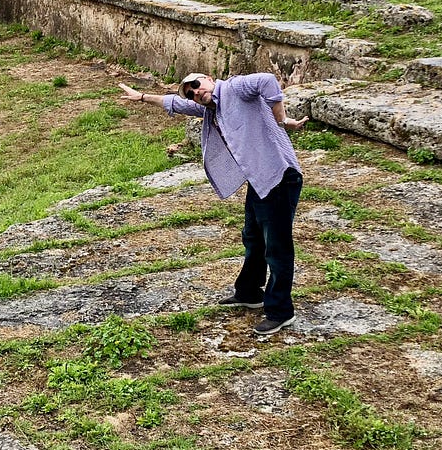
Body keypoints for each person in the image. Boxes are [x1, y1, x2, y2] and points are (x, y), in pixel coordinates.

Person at [118, 67, 308, 336]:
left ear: (208, 78)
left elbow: (267, 80)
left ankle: (280, 311)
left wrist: (282, 118)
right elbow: (175, 103)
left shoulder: (234, 88)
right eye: (191, 93)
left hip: (280, 175)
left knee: (277, 248)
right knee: (253, 237)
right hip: (260, 179)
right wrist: (141, 97)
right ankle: (249, 292)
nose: (195, 93)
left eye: (196, 85)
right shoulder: (211, 108)